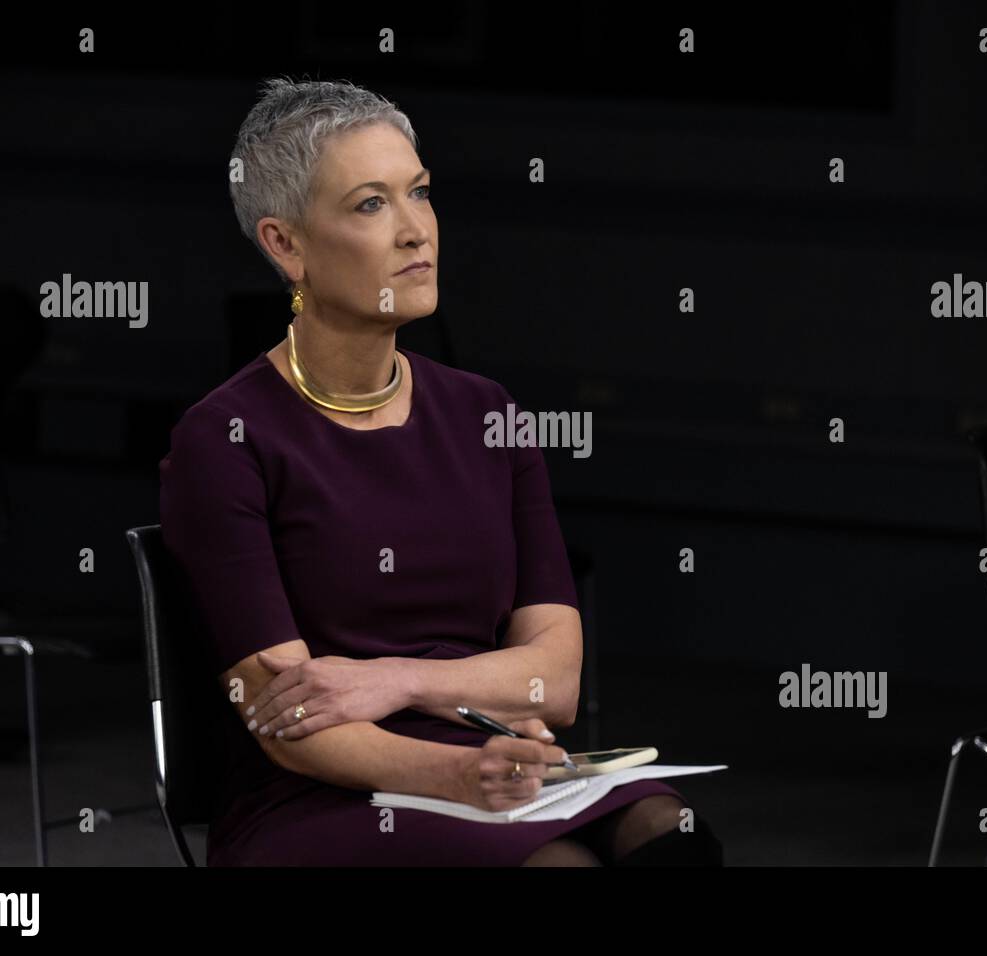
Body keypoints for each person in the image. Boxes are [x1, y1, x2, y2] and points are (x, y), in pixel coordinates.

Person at [158, 77, 722, 866]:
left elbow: (555, 682)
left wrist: (399, 681)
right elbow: (292, 722)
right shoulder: (224, 439)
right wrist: (458, 771)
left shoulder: (485, 412)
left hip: (490, 754)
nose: (416, 229)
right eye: (369, 204)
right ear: (285, 245)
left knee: (670, 833)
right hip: (320, 793)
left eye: (419, 192)